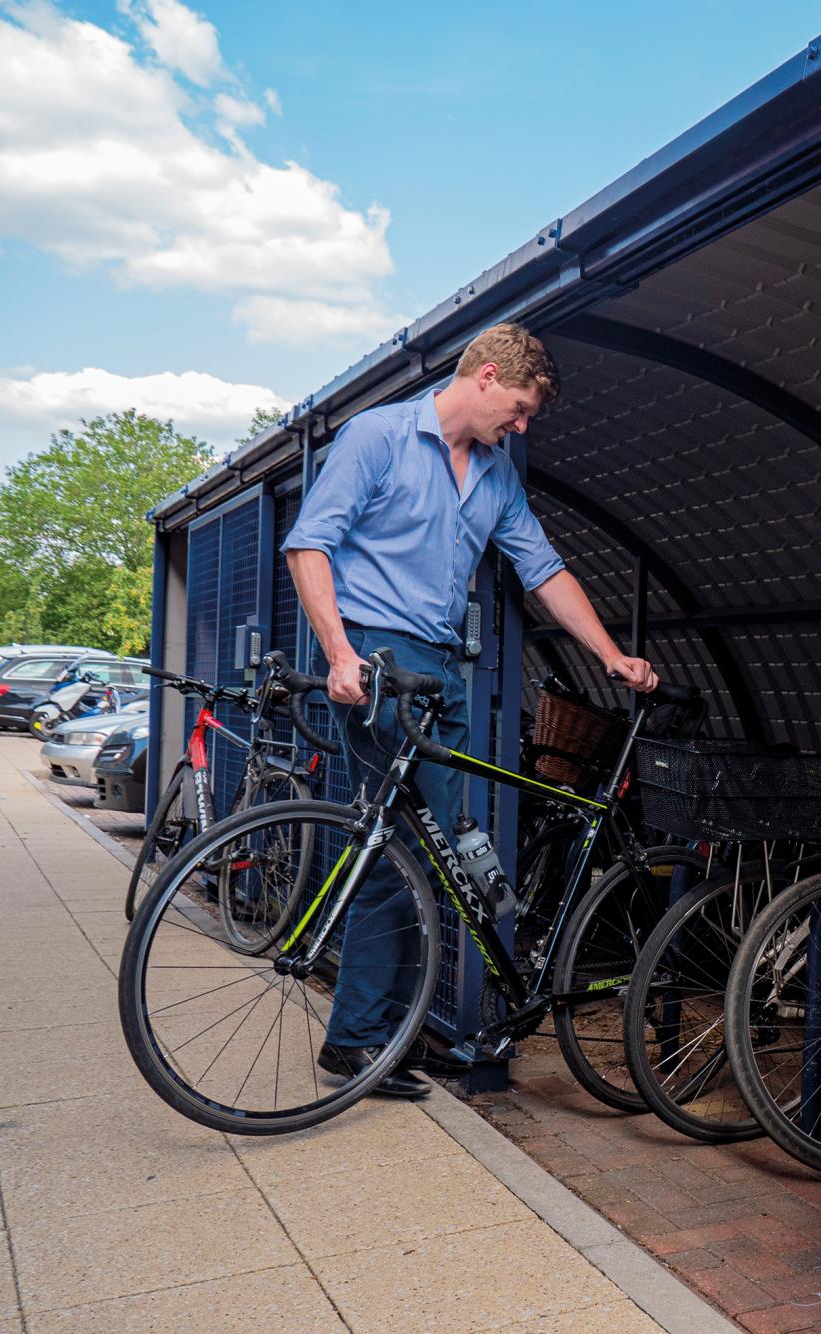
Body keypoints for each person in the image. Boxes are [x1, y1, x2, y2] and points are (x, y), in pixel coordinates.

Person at [283, 322, 657, 1098]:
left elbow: (541, 568)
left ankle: (398, 1030)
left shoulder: (494, 475)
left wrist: (608, 654)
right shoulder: (378, 438)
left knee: (437, 852)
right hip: (382, 657)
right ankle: (357, 1040)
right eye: (518, 409)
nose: (519, 427)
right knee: (396, 849)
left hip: (445, 670)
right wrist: (340, 653)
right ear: (485, 376)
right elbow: (308, 544)